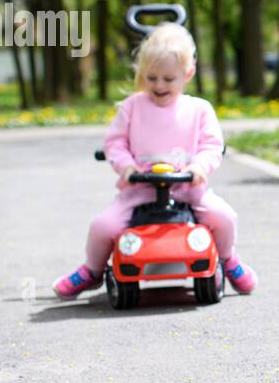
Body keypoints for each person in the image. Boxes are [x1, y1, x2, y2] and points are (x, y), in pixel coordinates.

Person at [53, 22, 256, 298]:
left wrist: (198, 167)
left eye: (168, 79)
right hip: (139, 191)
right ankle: (93, 270)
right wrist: (127, 167)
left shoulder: (199, 110)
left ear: (188, 73)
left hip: (188, 189)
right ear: (142, 74)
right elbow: (115, 143)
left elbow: (211, 146)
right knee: (103, 225)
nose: (159, 85)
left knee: (224, 216)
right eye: (152, 78)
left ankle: (227, 259)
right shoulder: (132, 107)